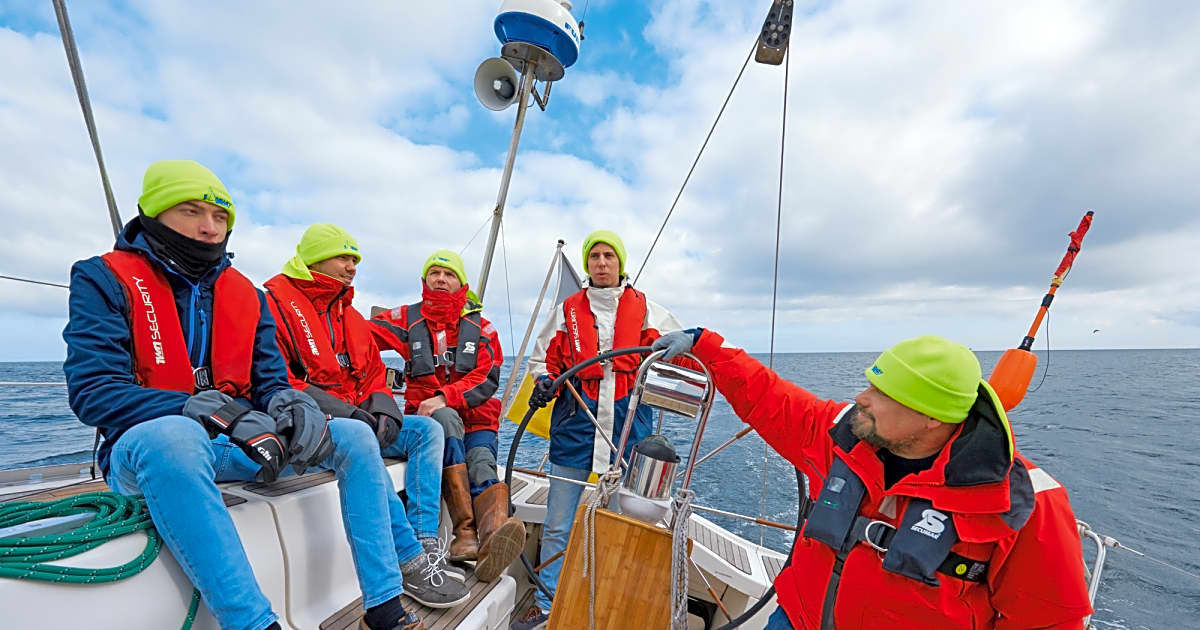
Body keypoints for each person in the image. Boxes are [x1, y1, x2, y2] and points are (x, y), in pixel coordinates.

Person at [62, 161, 438, 630]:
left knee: (354, 437)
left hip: (239, 447)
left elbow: (270, 381)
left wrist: (289, 405)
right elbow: (93, 392)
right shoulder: (102, 278)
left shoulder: (247, 295)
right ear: (155, 214)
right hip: (151, 452)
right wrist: (201, 408)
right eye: (191, 211)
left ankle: (383, 607)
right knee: (176, 437)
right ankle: (256, 624)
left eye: (220, 219)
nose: (207, 228)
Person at [650, 329, 1094, 629]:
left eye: (883, 393)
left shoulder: (1029, 503)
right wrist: (705, 345)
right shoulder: (842, 433)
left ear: (931, 418)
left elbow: (1051, 620)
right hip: (796, 620)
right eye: (870, 383)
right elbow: (770, 398)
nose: (862, 397)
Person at [262, 225, 471, 598]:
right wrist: (349, 414)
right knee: (361, 442)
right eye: (344, 257)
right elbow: (277, 382)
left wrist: (384, 410)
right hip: (311, 426)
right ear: (316, 257)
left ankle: (424, 540)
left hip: (356, 419)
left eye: (355, 259)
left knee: (426, 431)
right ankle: (405, 563)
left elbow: (374, 374)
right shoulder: (274, 307)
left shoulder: (350, 316)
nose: (352, 266)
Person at [511, 230, 688, 629]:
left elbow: (680, 358)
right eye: (595, 256)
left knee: (613, 525)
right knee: (558, 524)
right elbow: (541, 360)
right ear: (588, 263)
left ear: (620, 263)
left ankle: (600, 599)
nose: (602, 263)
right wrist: (542, 381)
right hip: (575, 428)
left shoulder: (649, 312)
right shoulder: (566, 311)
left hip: (628, 430)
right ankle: (546, 601)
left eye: (609, 256)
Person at [369, 250, 525, 583]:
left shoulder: (483, 329)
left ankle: (491, 542)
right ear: (424, 282)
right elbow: (360, 334)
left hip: (478, 420)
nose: (441, 279)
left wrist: (444, 397)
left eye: (448, 274)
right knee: (445, 419)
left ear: (461, 283)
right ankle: (466, 534)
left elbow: (487, 377)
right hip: (433, 425)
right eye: (434, 273)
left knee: (482, 465)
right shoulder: (405, 320)